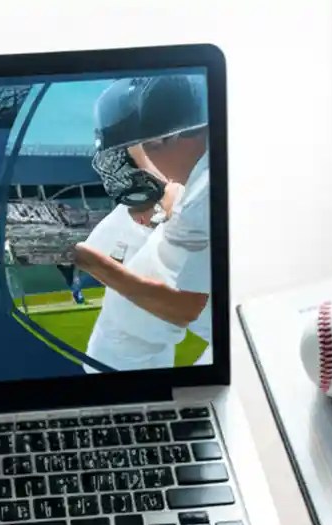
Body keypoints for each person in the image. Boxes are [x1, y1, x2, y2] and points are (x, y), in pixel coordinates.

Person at [74, 74, 211, 371]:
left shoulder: (200, 198)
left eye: (144, 146)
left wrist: (95, 263)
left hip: (258, 337)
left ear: (165, 137)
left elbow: (185, 307)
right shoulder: (200, 183)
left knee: (125, 326)